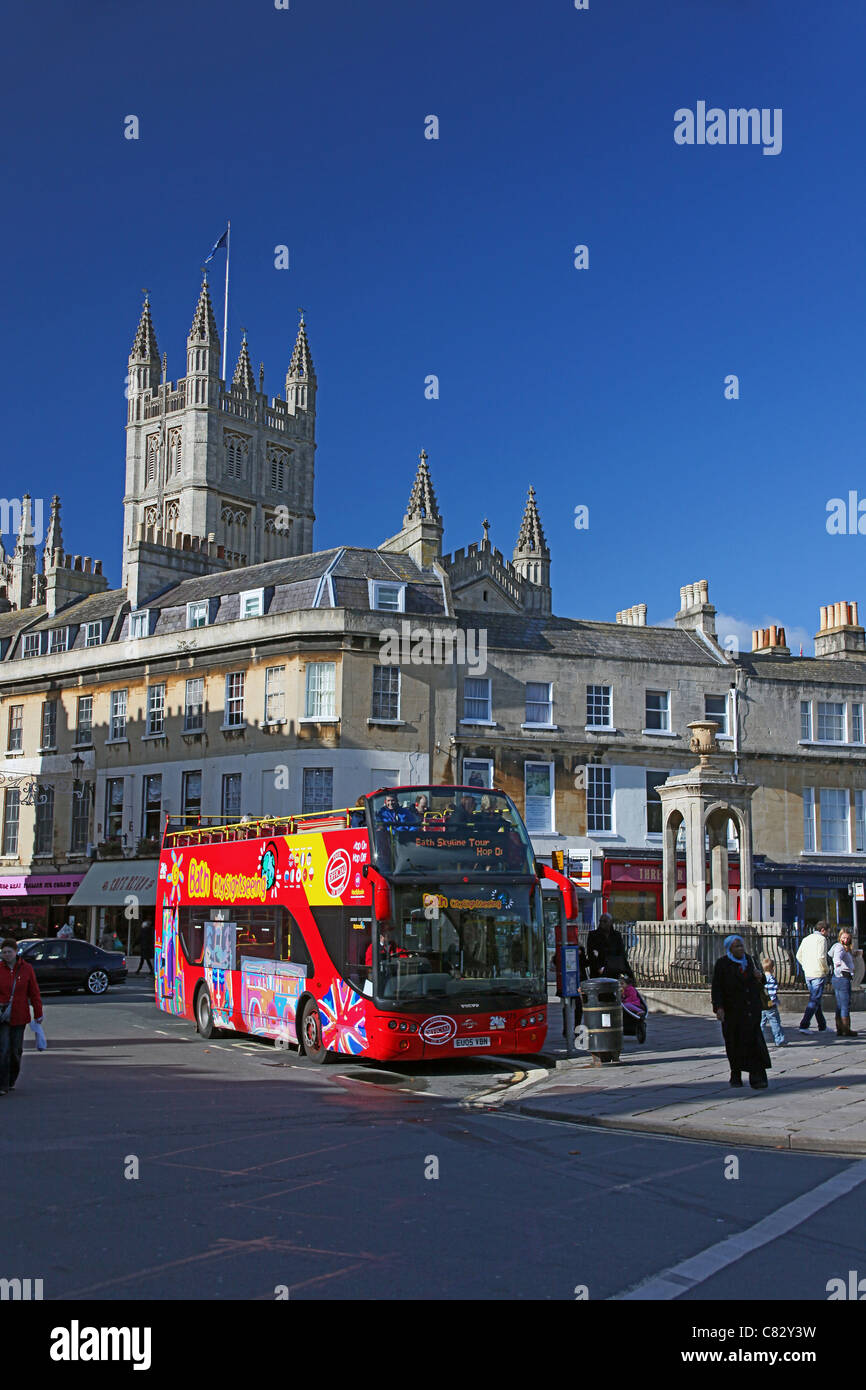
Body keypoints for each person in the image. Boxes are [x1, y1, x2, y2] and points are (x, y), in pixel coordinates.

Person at [711, 933, 771, 1089]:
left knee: (754, 1043)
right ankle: (735, 1073)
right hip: (733, 1011)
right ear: (730, 948)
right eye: (737, 946)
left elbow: (760, 981)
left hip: (751, 1009)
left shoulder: (749, 960)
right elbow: (717, 988)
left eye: (741, 945)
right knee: (733, 1043)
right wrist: (719, 1007)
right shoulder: (722, 964)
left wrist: (760, 977)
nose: (740, 949)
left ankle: (756, 1076)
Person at [0, 937, 44, 1095]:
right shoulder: (0, 968)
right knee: (3, 1049)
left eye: (9, 952)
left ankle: (11, 1079)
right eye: (3, 952)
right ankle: (2, 1084)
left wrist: (38, 1013)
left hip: (19, 1015)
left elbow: (34, 992)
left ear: (16, 952)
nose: (6, 955)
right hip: (2, 1016)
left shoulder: (26, 969)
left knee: (16, 1051)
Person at [796, 920, 831, 1033]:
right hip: (818, 973)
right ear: (823, 930)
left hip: (808, 973)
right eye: (828, 931)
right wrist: (825, 969)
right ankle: (804, 1025)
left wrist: (805, 966)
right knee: (814, 1000)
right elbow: (821, 957)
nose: (828, 934)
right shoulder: (822, 939)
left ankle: (822, 1025)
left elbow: (798, 955)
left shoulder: (806, 939)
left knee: (816, 1000)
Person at [829, 929, 859, 1037]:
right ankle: (846, 1029)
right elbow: (837, 957)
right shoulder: (839, 947)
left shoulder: (842, 948)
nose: (845, 940)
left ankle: (840, 1028)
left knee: (840, 1004)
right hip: (843, 978)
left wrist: (853, 955)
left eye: (848, 938)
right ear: (840, 937)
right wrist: (838, 963)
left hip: (838, 978)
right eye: (844, 937)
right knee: (845, 1004)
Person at [586, 913, 634, 981]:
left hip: (613, 970)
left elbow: (621, 953)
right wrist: (599, 968)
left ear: (610, 922)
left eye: (605, 921)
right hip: (599, 972)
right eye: (600, 921)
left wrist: (627, 971)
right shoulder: (593, 935)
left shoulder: (616, 935)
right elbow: (590, 954)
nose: (602, 923)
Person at [759, 954, 786, 1047]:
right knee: (775, 1022)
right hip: (769, 1004)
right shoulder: (770, 978)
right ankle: (779, 1039)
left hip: (761, 1005)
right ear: (773, 968)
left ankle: (758, 1040)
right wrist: (772, 1002)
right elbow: (771, 993)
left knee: (761, 1023)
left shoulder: (760, 977)